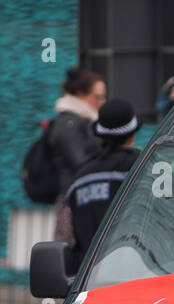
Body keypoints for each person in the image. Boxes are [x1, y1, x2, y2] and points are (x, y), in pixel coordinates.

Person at [68, 98, 140, 269]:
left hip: (89, 279)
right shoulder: (141, 169)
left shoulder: (80, 177)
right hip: (134, 275)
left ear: (100, 136)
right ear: (132, 134)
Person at [49, 68, 106, 244]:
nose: (103, 102)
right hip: (73, 200)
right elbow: (79, 162)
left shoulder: (86, 122)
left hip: (84, 197)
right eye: (98, 97)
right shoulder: (69, 124)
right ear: (81, 94)